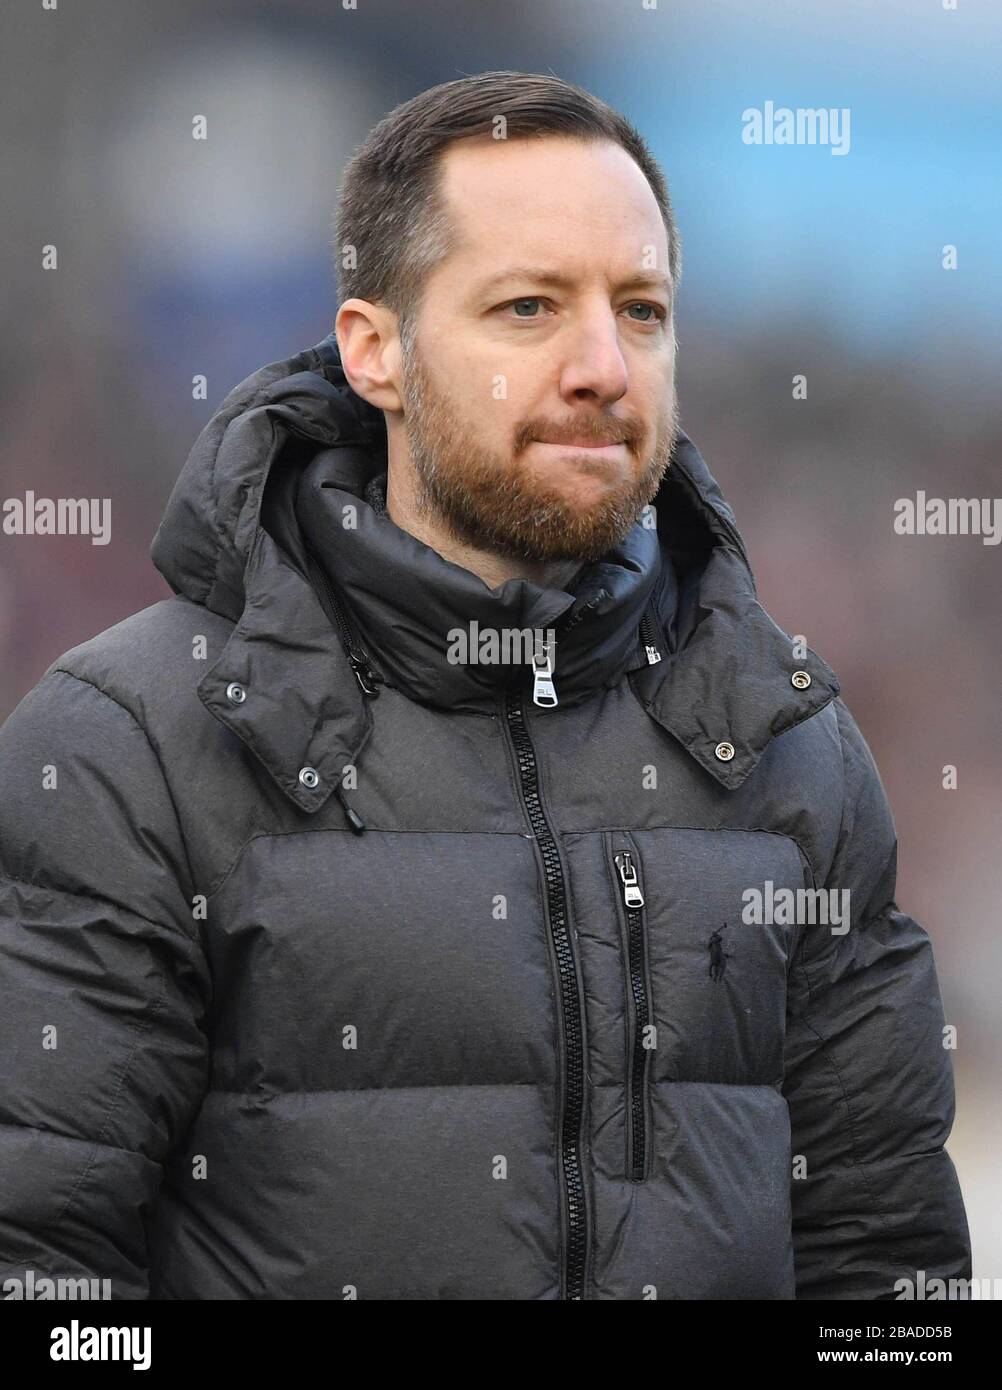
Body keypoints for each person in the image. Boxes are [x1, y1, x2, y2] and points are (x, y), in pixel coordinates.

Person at [0, 70, 971, 1300]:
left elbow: (890, 1279)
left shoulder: (793, 749)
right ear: (375, 352)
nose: (603, 366)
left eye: (643, 310)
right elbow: (39, 1279)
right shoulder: (129, 748)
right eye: (528, 308)